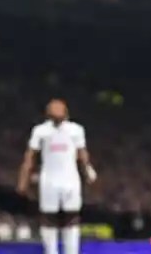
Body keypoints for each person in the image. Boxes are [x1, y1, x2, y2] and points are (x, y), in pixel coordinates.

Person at [17, 100, 97, 254]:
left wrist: (88, 170)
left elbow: (82, 153)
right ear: (48, 113)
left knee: (72, 217)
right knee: (49, 218)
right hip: (49, 180)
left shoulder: (76, 130)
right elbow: (30, 156)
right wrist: (23, 179)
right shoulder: (40, 131)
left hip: (70, 180)